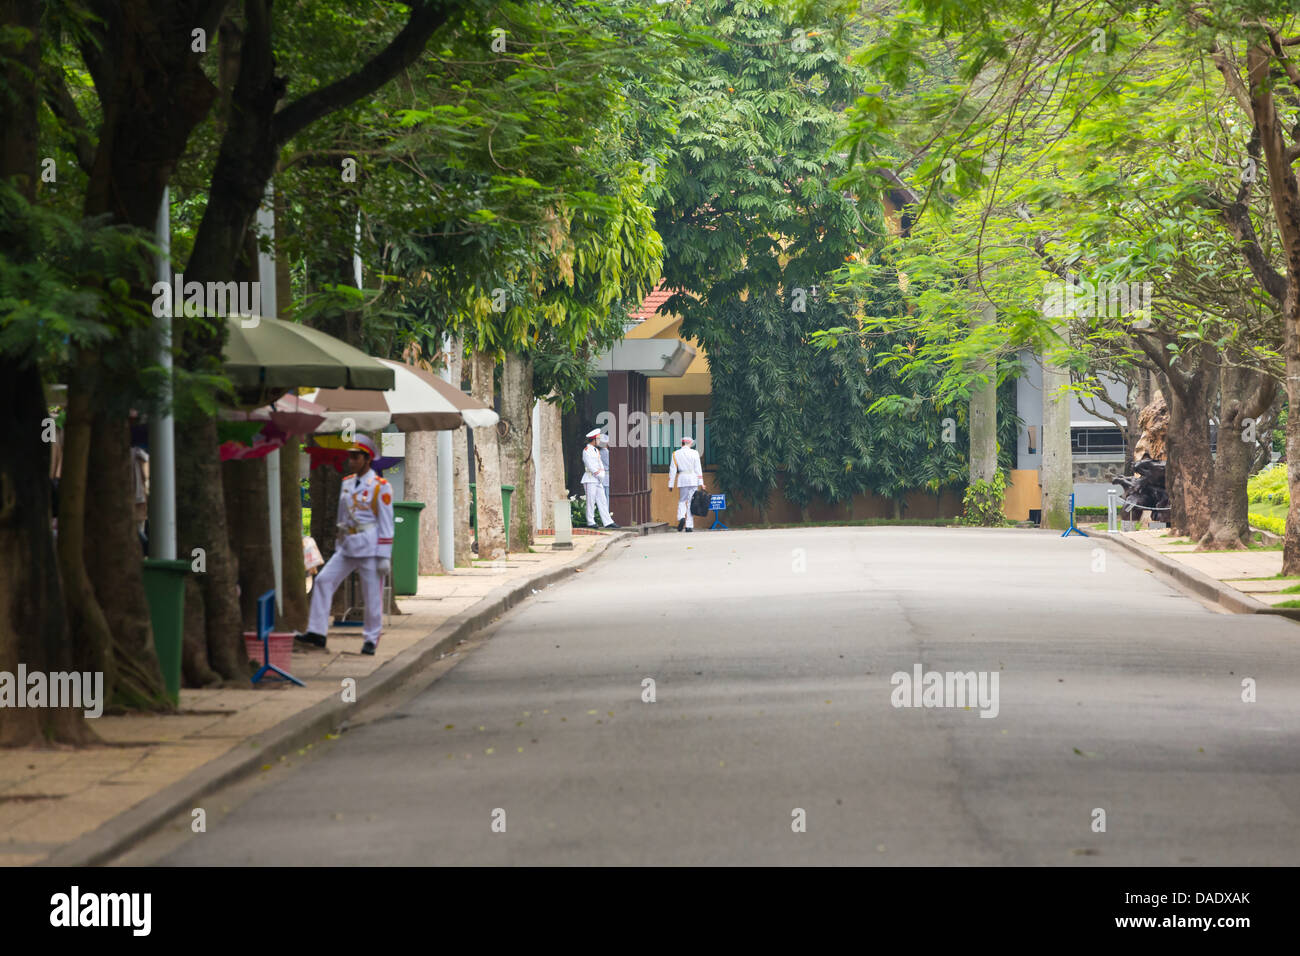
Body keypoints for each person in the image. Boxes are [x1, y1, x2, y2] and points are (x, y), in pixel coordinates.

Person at [296, 434, 394, 655]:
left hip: (369, 545)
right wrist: (339, 543)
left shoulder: (381, 487)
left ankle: (371, 639)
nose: (351, 461)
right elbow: (342, 517)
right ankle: (317, 632)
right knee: (322, 581)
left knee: (371, 595)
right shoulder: (347, 483)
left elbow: (386, 524)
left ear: (367, 459)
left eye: (355, 457)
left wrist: (384, 555)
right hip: (348, 545)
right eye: (349, 457)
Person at [581, 428, 618, 529]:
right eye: (598, 439)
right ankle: (590, 521)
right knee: (591, 501)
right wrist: (599, 474)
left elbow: (600, 464)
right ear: (594, 440)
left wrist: (601, 474)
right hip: (590, 478)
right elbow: (591, 466)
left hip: (598, 479)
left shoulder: (596, 450)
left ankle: (608, 521)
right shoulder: (587, 451)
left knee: (602, 500)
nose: (599, 441)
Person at [668, 435, 704, 532]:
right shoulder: (695, 453)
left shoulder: (675, 454)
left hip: (682, 479)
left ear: (682, 443)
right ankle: (689, 526)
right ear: (690, 444)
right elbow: (698, 469)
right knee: (691, 502)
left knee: (682, 501)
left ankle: (681, 517)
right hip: (693, 479)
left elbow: (672, 470)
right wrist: (702, 483)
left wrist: (670, 484)